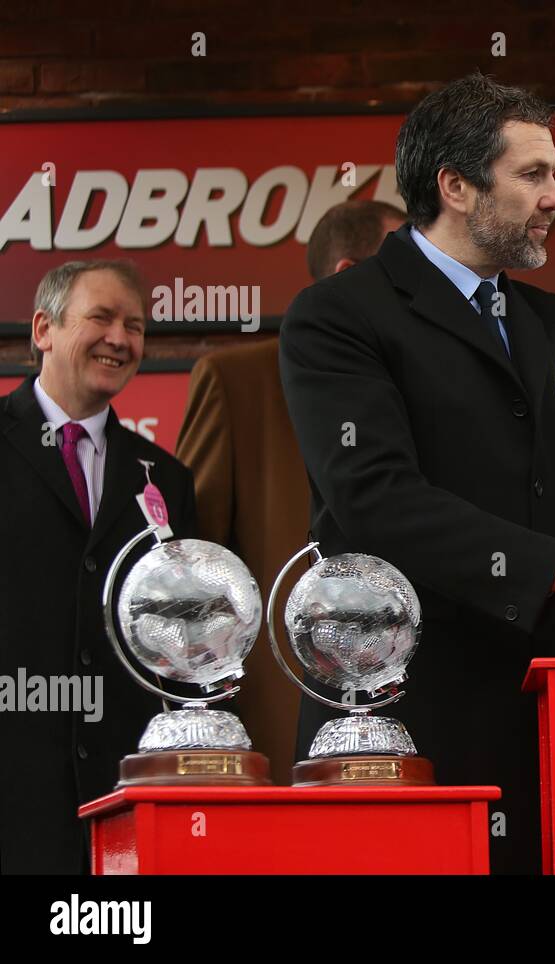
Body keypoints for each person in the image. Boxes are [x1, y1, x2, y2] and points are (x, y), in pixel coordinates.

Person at [278, 73, 555, 875]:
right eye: (532, 174)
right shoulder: (339, 315)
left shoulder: (547, 320)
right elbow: (373, 501)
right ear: (455, 186)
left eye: (554, 174)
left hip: (546, 712)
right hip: (404, 708)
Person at [175, 199, 405, 785]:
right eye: (406, 266)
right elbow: (194, 571)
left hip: (413, 705)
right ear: (350, 277)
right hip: (282, 709)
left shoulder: (425, 384)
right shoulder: (237, 382)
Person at [0, 261, 198, 874]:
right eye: (101, 318)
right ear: (43, 330)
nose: (120, 338)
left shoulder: (166, 477)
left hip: (124, 792)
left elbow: (187, 639)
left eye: (134, 326)